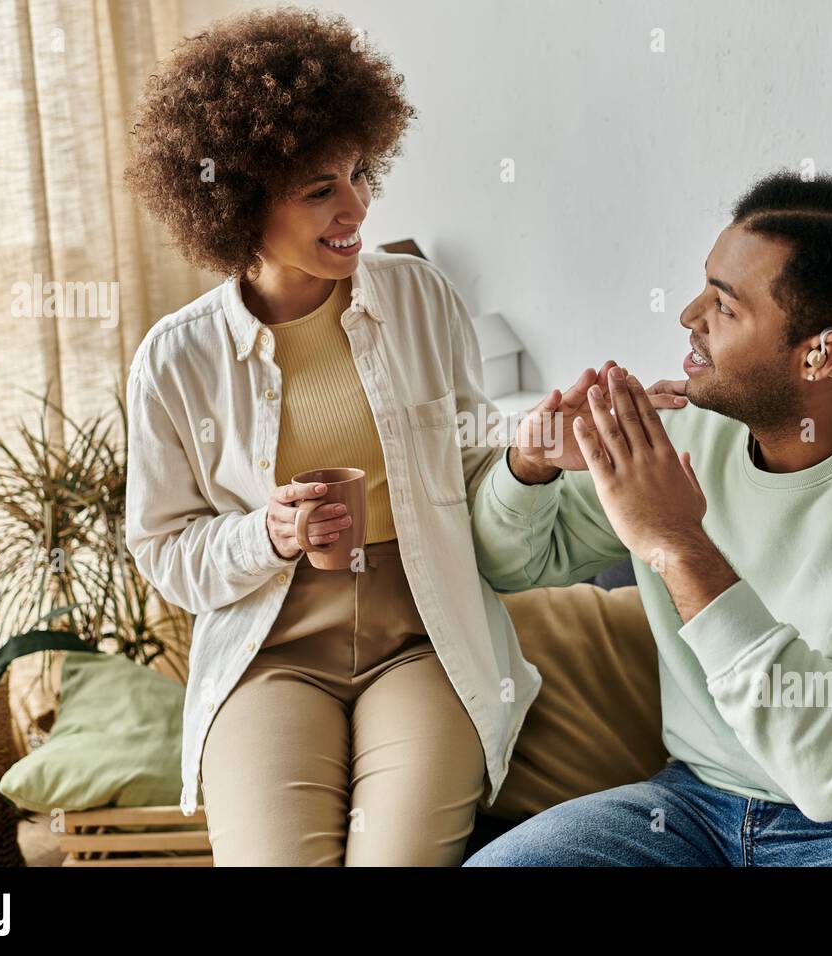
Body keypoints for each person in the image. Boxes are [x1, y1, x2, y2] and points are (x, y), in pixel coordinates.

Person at [121, 7, 681, 866]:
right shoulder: (176, 359)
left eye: (358, 174)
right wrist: (265, 535)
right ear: (233, 204)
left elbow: (470, 465)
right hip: (270, 650)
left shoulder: (418, 296)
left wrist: (527, 456)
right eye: (320, 190)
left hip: (424, 638)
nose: (357, 207)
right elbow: (164, 550)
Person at [464, 171, 832, 866]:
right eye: (704, 287)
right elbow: (511, 564)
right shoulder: (694, 436)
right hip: (690, 806)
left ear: (821, 353)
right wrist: (531, 466)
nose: (689, 316)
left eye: (724, 305)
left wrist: (679, 546)